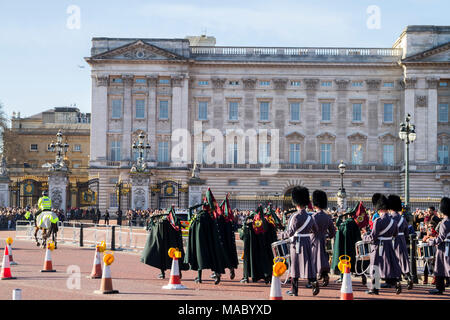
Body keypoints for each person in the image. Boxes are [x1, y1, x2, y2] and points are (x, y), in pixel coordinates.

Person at [184, 188, 227, 284]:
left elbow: (191, 226)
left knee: (200, 259)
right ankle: (216, 273)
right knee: (214, 256)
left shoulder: (199, 217)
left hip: (201, 242)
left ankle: (199, 278)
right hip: (212, 242)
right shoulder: (212, 217)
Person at [283, 186, 320, 296]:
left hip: (297, 243)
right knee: (308, 264)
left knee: (295, 266)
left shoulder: (295, 216)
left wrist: (280, 235)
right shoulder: (310, 216)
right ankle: (314, 282)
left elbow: (289, 232)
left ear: (296, 202)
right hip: (307, 242)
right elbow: (316, 230)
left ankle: (294, 291)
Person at [363, 194, 402, 295]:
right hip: (389, 245)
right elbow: (395, 234)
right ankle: (396, 282)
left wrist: (364, 237)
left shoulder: (378, 221)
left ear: (379, 208)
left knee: (375, 266)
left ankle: (374, 289)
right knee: (388, 265)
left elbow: (373, 237)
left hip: (378, 246)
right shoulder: (393, 221)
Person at [141, 206, 188, 279]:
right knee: (176, 258)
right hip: (174, 244)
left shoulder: (161, 222)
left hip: (164, 243)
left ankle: (162, 273)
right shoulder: (175, 222)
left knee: (162, 256)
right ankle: (179, 273)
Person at [239, 205, 274, 284]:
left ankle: (248, 277)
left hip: (253, 248)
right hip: (265, 247)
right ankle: (267, 276)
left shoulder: (250, 225)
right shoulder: (269, 223)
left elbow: (242, 235)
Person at [424, 197, 450, 295]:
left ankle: (439, 288)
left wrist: (431, 241)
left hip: (444, 247)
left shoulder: (444, 222)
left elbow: (441, 238)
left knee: (440, 268)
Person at [310, 190, 336, 287]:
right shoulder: (327, 217)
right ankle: (324, 275)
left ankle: (314, 279)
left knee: (314, 258)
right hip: (323, 239)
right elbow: (333, 231)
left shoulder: (313, 216)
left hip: (313, 239)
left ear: (315, 204)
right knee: (322, 257)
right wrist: (327, 236)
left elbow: (309, 229)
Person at [388, 194, 414, 290]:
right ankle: (408, 277)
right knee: (404, 260)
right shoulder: (402, 218)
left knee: (394, 261)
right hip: (402, 240)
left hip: (393, 240)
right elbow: (407, 232)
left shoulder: (390, 218)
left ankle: (397, 281)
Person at [331, 208, 361, 284]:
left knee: (343, 261)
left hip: (345, 246)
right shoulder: (355, 224)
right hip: (352, 247)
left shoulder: (345, 224)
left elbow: (338, 226)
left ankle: (342, 277)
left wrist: (341, 216)